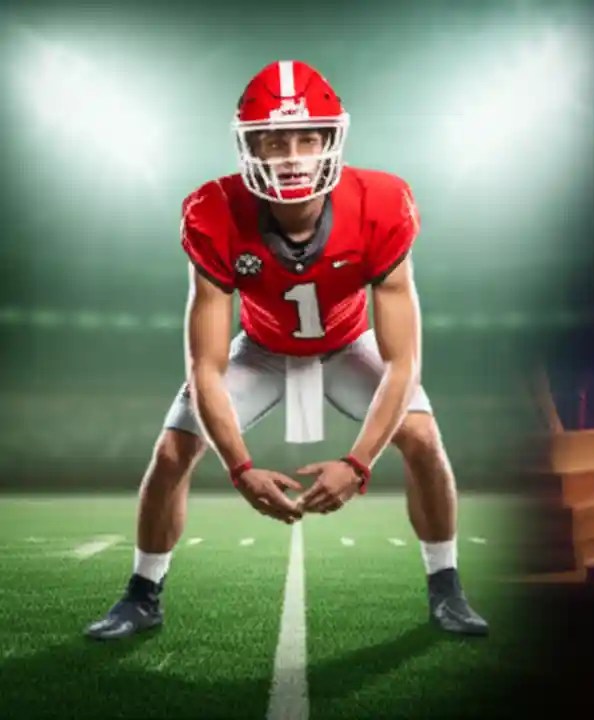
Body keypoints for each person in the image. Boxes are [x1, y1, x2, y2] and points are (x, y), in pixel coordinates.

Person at [85, 59, 488, 640]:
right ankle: (142, 593)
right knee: (172, 453)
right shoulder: (213, 212)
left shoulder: (381, 204)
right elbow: (205, 363)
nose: (293, 155)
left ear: (332, 139)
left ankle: (446, 587)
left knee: (424, 438)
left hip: (350, 344)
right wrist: (241, 469)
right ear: (250, 147)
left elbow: (403, 361)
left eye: (308, 138)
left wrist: (357, 465)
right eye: (275, 141)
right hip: (263, 349)